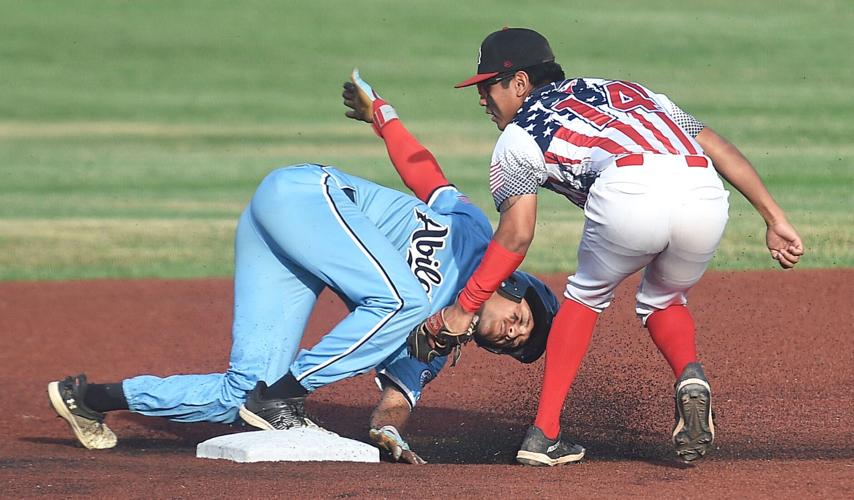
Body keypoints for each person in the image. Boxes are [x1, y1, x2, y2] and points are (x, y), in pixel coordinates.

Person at [46, 70, 560, 464]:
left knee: (243, 395)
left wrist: (389, 432)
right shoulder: (471, 229)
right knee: (401, 300)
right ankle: (287, 396)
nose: (513, 333)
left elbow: (398, 398)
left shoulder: (430, 344)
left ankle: (91, 397)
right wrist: (382, 114)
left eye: (513, 344)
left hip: (280, 243)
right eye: (525, 319)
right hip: (306, 195)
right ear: (516, 286)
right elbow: (425, 173)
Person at [416, 27, 805, 465]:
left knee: (585, 297)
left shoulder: (517, 136)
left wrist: (467, 305)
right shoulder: (627, 90)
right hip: (704, 192)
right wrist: (775, 218)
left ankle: (544, 435)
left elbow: (517, 234)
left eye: (488, 87)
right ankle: (689, 375)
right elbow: (715, 146)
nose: (483, 100)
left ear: (520, 82)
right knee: (663, 298)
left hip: (627, 191)